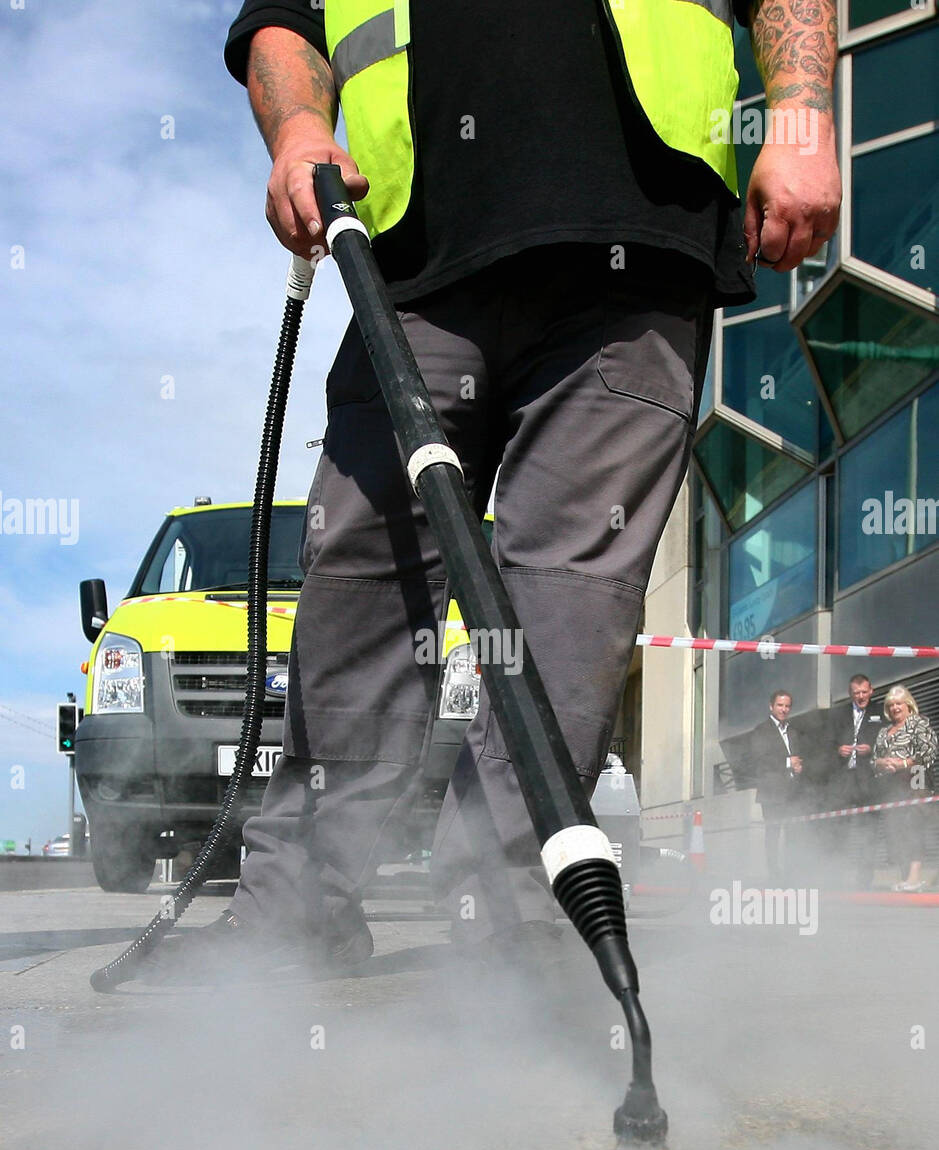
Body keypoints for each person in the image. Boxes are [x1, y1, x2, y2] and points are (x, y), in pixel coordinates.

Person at [194, 0, 841, 968]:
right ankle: (295, 915)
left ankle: (506, 926)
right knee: (364, 576)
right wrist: (296, 130)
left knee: (568, 601)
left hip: (638, 245)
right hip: (413, 263)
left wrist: (799, 116)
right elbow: (285, 20)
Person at [871, 686, 938, 893]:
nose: (895, 708)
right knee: (895, 828)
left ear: (908, 704)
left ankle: (914, 876)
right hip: (891, 783)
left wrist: (903, 763)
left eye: (899, 703)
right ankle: (904, 876)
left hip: (916, 779)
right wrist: (883, 763)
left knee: (913, 825)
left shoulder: (919, 723)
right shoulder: (884, 732)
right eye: (891, 705)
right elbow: (874, 760)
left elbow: (929, 752)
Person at [831, 673, 883, 889]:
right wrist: (838, 750)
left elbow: (888, 741)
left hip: (868, 779)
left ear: (871, 691)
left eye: (864, 692)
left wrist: (872, 748)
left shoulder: (881, 711)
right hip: (844, 779)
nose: (861, 696)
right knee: (838, 828)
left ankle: (865, 879)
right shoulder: (839, 714)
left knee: (869, 829)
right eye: (856, 693)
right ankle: (836, 876)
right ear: (850, 694)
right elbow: (827, 741)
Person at [749, 691, 806, 880]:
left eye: (787, 706)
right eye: (780, 705)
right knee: (773, 833)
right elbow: (759, 760)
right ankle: (774, 874)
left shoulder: (793, 731)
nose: (784, 709)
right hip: (772, 792)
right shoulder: (761, 730)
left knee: (794, 833)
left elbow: (798, 756)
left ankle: (792, 872)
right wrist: (788, 763)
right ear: (771, 706)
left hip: (792, 791)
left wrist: (798, 767)